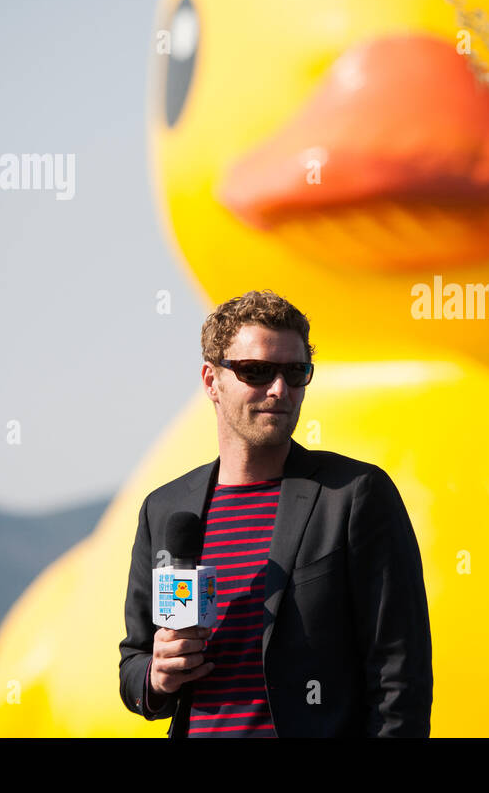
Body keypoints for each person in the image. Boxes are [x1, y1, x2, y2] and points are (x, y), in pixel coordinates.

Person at [118, 289, 432, 737]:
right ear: (211, 381)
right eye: (257, 371)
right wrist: (157, 675)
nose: (279, 388)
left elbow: (399, 673)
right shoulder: (165, 510)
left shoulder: (354, 495)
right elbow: (134, 664)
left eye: (295, 371)